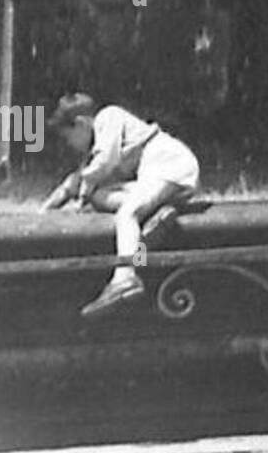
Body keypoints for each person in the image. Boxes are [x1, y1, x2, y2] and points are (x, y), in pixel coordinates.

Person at [42, 94, 200, 318]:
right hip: (161, 177)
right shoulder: (97, 148)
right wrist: (45, 210)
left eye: (69, 138)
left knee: (127, 214)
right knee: (102, 198)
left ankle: (125, 278)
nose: (69, 145)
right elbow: (73, 182)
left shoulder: (108, 117)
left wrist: (85, 189)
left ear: (81, 123)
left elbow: (104, 163)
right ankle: (141, 252)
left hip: (169, 165)